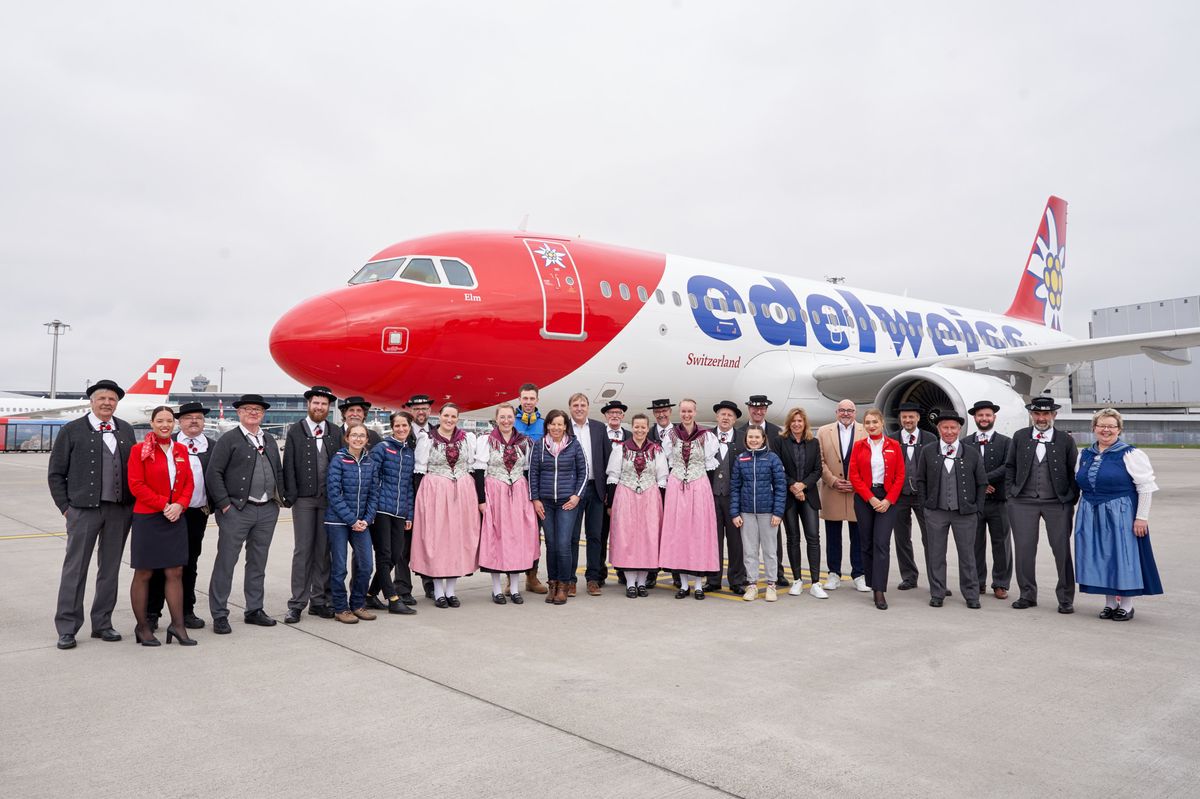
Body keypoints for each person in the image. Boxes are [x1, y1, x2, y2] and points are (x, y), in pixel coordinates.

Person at [48, 379, 136, 649]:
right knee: (75, 569)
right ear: (92, 401)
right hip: (83, 511)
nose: (107, 403)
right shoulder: (73, 430)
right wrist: (66, 508)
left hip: (119, 511)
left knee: (109, 570)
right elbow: (56, 473)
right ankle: (67, 627)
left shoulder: (126, 429)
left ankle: (102, 623)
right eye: (102, 398)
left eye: (112, 399)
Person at [206, 393, 285, 634]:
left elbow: (278, 471)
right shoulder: (228, 440)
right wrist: (225, 505)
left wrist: (278, 499)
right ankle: (219, 613)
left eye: (258, 410)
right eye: (248, 409)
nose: (253, 413)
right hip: (237, 510)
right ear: (239, 413)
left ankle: (254, 609)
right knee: (226, 562)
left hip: (266, 509)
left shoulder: (269, 439)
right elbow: (214, 474)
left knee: (258, 563)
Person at [1074, 409, 1163, 621]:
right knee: (1101, 557)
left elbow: (1145, 487)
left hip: (1120, 512)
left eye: (1111, 426)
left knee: (1122, 556)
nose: (1106, 430)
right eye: (1101, 425)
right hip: (1090, 512)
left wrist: (1141, 517)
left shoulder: (1131, 454)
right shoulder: (1084, 455)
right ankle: (1109, 603)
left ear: (1119, 429)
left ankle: (1126, 605)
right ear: (1094, 428)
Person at [126, 406, 196, 646]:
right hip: (148, 517)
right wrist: (164, 504)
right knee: (144, 572)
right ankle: (143, 627)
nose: (165, 425)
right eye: (160, 421)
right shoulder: (139, 451)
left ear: (174, 424)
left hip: (175, 516)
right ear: (152, 424)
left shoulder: (181, 450)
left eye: (169, 421)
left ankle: (178, 626)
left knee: (175, 571)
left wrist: (180, 506)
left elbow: (188, 483)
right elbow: (136, 484)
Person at [1005, 396, 1080, 614]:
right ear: (1031, 415)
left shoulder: (1065, 440)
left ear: (1054, 415)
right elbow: (1010, 466)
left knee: (1062, 550)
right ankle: (1027, 594)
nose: (1041, 418)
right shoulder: (1020, 437)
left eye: (1046, 414)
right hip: (1022, 502)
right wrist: (1011, 494)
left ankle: (1066, 598)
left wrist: (1070, 498)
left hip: (1057, 502)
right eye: (1037, 413)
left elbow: (1073, 471)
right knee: (1024, 550)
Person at [145, 401, 214, 631]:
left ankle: (186, 611)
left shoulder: (212, 446)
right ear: (179, 422)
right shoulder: (168, 444)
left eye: (199, 417)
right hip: (167, 512)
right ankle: (152, 613)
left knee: (189, 563)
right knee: (160, 564)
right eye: (188, 417)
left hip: (196, 513)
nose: (194, 421)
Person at [282, 386, 343, 624]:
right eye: (316, 403)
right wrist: (290, 494)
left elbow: (340, 464)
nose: (319, 407)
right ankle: (297, 603)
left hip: (328, 500)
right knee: (303, 550)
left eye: (324, 404)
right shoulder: (296, 431)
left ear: (329, 408)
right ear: (309, 404)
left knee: (323, 551)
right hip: (305, 499)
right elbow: (288, 464)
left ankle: (319, 601)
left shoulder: (335, 431)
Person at [915, 410, 987, 609]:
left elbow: (982, 483)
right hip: (935, 511)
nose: (949, 431)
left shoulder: (971, 453)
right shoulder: (928, 451)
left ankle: (971, 595)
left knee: (967, 556)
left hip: (965, 514)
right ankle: (937, 592)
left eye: (953, 428)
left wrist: (977, 509)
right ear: (938, 429)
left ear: (959, 429)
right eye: (945, 427)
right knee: (936, 554)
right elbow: (920, 480)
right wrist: (925, 506)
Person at [411, 403, 480, 608]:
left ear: (457, 419)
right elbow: (419, 471)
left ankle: (451, 590)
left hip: (462, 492)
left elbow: (470, 468)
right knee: (437, 540)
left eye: (453, 416)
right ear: (439, 416)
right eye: (446, 415)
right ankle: (438, 591)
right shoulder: (427, 439)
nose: (449, 420)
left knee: (457, 540)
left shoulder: (466, 439)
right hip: (435, 492)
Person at [474, 405, 538, 605]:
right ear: (496, 418)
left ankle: (515, 588)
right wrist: (481, 501)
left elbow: (528, 470)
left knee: (517, 540)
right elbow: (478, 471)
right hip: (495, 493)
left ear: (514, 419)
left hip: (518, 495)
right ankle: (496, 589)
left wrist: (530, 497)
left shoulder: (524, 442)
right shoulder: (486, 440)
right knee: (496, 540)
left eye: (509, 417)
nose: (506, 421)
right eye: (502, 417)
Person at [660, 399, 720, 599]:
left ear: (695, 412)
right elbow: (668, 460)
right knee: (680, 534)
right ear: (680, 412)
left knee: (698, 534)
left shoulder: (706, 436)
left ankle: (698, 584)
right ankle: (684, 584)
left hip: (698, 486)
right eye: (683, 411)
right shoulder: (671, 436)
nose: (686, 414)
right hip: (677, 486)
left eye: (689, 411)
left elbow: (709, 464)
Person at [847, 409, 904, 610]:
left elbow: (900, 475)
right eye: (868, 423)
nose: (871, 426)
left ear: (882, 424)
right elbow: (854, 475)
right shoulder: (859, 446)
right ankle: (871, 582)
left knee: (881, 543)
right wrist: (870, 498)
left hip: (887, 498)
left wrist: (888, 500)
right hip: (865, 498)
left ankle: (879, 590)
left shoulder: (894, 446)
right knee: (867, 543)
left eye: (875, 422)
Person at [606, 414, 668, 598]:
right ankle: (630, 582)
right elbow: (613, 476)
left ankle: (642, 582)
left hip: (650, 497)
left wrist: (662, 504)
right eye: (636, 427)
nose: (639, 431)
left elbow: (662, 477)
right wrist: (610, 503)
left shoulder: (656, 450)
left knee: (648, 538)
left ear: (647, 428)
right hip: (625, 496)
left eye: (643, 427)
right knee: (628, 538)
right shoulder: (621, 449)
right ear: (631, 427)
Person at [528, 410, 587, 605]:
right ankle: (552, 584)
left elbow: (583, 472)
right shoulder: (539, 446)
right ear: (547, 426)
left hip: (566, 502)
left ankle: (564, 584)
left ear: (565, 427)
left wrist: (577, 496)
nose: (556, 428)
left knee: (563, 544)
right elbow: (533, 473)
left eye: (560, 424)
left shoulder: (574, 445)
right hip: (545, 502)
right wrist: (535, 499)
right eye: (552, 424)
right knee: (551, 545)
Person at [325, 424, 381, 623]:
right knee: (339, 567)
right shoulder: (338, 460)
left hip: (361, 523)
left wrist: (366, 519)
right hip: (338, 522)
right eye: (354, 435)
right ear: (347, 438)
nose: (358, 439)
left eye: (362, 436)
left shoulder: (370, 463)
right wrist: (351, 520)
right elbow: (334, 493)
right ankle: (341, 608)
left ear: (367, 440)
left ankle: (357, 604)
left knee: (366, 565)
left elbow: (374, 494)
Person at [368, 411, 419, 614]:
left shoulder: (409, 453)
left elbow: (408, 486)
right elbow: (372, 478)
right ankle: (393, 598)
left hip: (399, 511)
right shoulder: (382, 448)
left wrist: (409, 514)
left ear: (409, 427)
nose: (400, 429)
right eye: (397, 426)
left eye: (404, 426)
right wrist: (372, 507)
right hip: (381, 510)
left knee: (396, 554)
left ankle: (370, 595)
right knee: (384, 554)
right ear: (392, 427)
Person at [963, 400, 1013, 599]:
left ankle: (1001, 583)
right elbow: (964, 469)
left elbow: (1007, 466)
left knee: (1001, 544)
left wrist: (983, 481)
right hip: (975, 502)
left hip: (999, 500)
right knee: (974, 543)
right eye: (980, 415)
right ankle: (978, 581)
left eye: (987, 415)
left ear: (994, 418)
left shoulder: (1006, 442)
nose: (984, 419)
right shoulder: (965, 442)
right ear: (974, 418)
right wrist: (981, 486)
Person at [816, 399, 868, 594]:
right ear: (836, 412)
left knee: (858, 534)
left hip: (858, 490)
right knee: (833, 534)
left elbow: (871, 459)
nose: (846, 413)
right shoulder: (823, 431)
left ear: (855, 413)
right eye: (842, 410)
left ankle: (859, 574)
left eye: (850, 410)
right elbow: (819, 460)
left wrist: (858, 482)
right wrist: (832, 481)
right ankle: (834, 573)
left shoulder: (865, 430)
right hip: (833, 489)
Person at [731, 427, 787, 602]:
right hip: (746, 513)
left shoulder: (772, 459)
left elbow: (780, 487)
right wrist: (734, 512)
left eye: (757, 437)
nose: (753, 440)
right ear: (746, 439)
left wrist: (778, 512)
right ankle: (752, 584)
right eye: (750, 437)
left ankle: (771, 585)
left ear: (763, 439)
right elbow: (735, 487)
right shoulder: (741, 459)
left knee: (770, 551)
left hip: (768, 512)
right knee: (750, 551)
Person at [777, 407, 827, 598]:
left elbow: (818, 470)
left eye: (800, 421)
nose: (797, 424)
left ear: (805, 423)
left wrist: (803, 486)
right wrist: (793, 487)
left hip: (809, 496)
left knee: (813, 537)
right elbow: (779, 468)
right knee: (793, 538)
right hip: (790, 497)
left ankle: (815, 582)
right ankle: (797, 580)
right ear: (789, 423)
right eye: (793, 421)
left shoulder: (813, 442)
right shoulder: (780, 442)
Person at [568, 393, 611, 596]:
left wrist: (607, 492)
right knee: (572, 537)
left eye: (582, 404)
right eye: (575, 405)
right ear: (570, 408)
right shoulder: (564, 428)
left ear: (588, 407)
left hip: (595, 489)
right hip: (573, 490)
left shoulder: (599, 428)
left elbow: (607, 459)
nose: (579, 408)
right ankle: (570, 580)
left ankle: (593, 579)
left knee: (595, 536)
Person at [707, 401, 748, 594]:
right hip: (711, 496)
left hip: (733, 498)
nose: (725, 418)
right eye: (722, 414)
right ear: (717, 416)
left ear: (735, 419)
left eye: (730, 415)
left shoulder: (742, 438)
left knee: (735, 541)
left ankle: (737, 580)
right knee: (713, 539)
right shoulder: (706, 437)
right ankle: (713, 579)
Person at [890, 401, 932, 591]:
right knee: (902, 538)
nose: (907, 420)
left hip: (924, 496)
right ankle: (909, 576)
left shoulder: (931, 439)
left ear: (918, 418)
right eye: (904, 417)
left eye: (911, 416)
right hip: (899, 496)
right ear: (900, 418)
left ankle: (936, 579)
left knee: (931, 538)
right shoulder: (891, 440)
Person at [512, 383, 548, 596]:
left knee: (536, 532)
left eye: (531, 399)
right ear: (520, 399)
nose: (527, 402)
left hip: (538, 484)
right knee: (513, 531)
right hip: (514, 482)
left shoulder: (544, 425)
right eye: (524, 398)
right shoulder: (510, 422)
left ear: (537, 400)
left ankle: (532, 576)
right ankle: (512, 577)